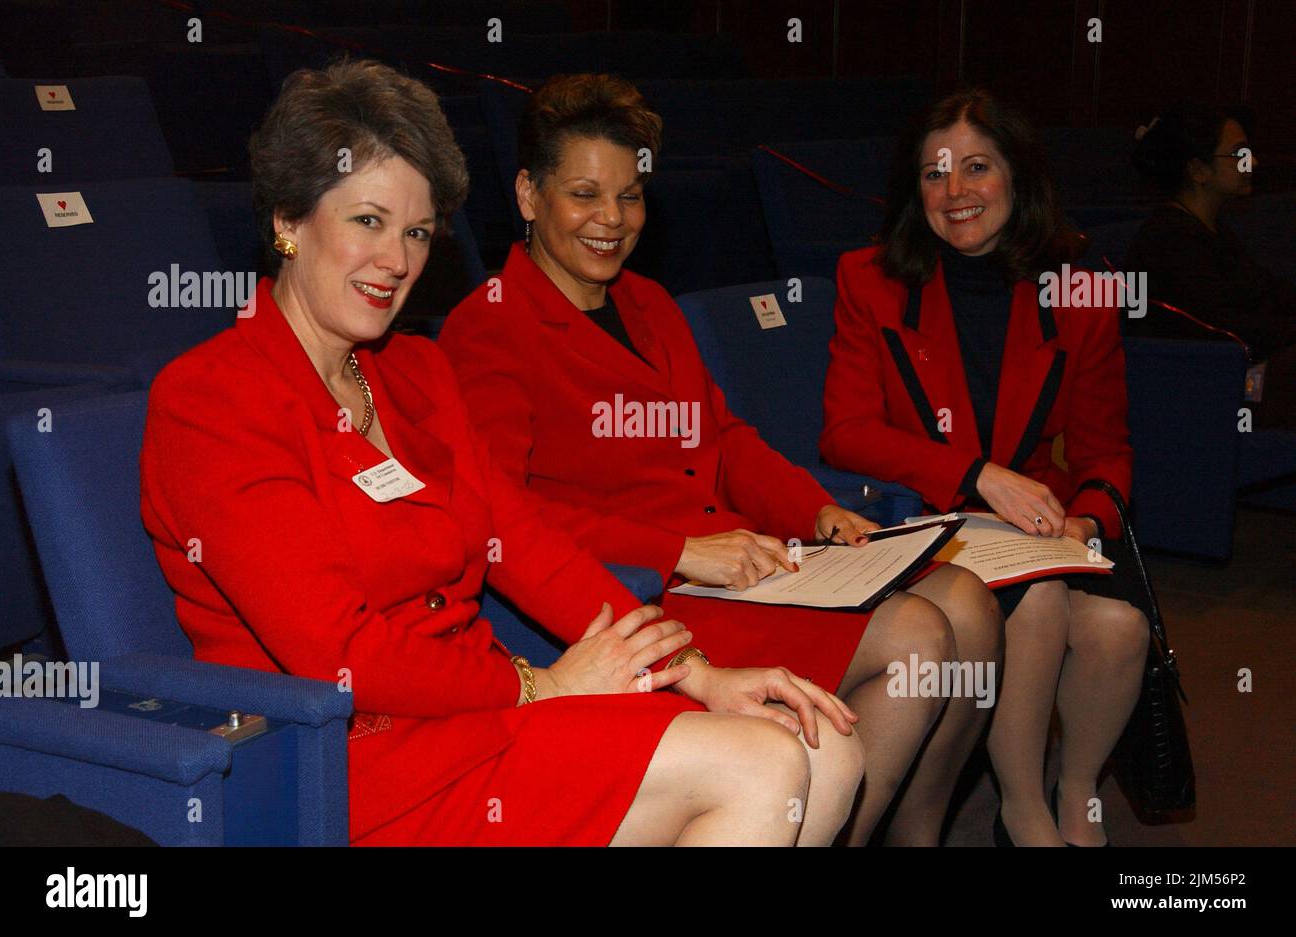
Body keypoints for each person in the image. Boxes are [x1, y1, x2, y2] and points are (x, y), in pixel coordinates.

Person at [140, 59, 865, 847]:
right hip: (344, 763)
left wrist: (696, 671)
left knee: (829, 752)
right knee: (762, 766)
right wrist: (539, 684)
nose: (397, 261)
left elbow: (522, 539)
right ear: (289, 219)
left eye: (417, 232)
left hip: (478, 718)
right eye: (368, 221)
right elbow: (338, 651)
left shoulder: (414, 371)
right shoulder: (214, 398)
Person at [439, 73, 1003, 846]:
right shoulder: (489, 329)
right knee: (920, 639)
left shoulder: (651, 304)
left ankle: (909, 829)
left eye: (630, 196)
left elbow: (725, 438)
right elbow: (506, 519)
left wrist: (815, 509)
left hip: (737, 562)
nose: (612, 220)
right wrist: (680, 552)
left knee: (966, 599)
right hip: (637, 596)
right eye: (585, 194)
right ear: (530, 197)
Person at [821, 88, 1150, 846]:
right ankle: (1021, 805)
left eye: (977, 167)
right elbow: (845, 433)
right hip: (922, 519)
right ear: (915, 187)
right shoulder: (868, 279)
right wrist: (976, 474)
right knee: (1036, 607)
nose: (956, 192)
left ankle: (1075, 794)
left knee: (1120, 632)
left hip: (1036, 532)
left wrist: (1086, 519)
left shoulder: (1081, 291)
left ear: (1018, 176)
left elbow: (1106, 451)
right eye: (935, 173)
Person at [1126, 102, 1296, 429]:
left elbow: (1271, 292)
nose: (1253, 162)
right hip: (1208, 389)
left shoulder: (1214, 230)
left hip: (1241, 372)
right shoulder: (1167, 242)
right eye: (1239, 154)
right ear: (1198, 170)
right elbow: (1219, 329)